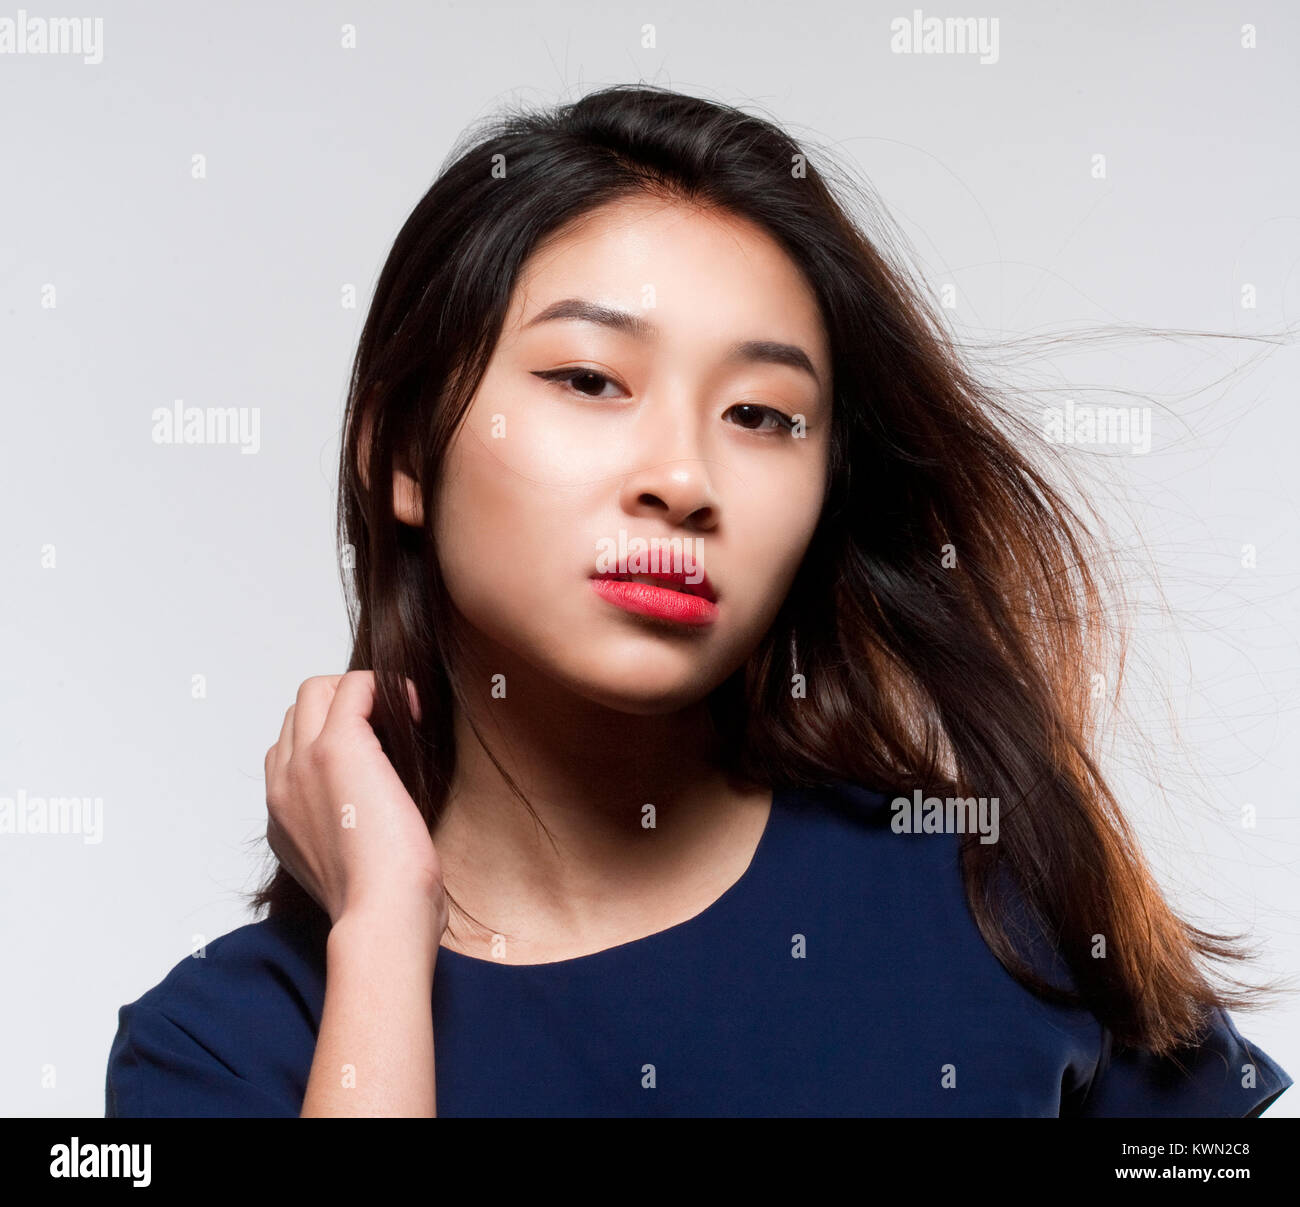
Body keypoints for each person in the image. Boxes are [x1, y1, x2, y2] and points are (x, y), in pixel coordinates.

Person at [106, 84, 1292, 1117]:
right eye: (588, 379)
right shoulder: (221, 1046)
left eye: (762, 416)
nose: (681, 479)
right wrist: (378, 944)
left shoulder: (988, 896)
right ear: (402, 454)